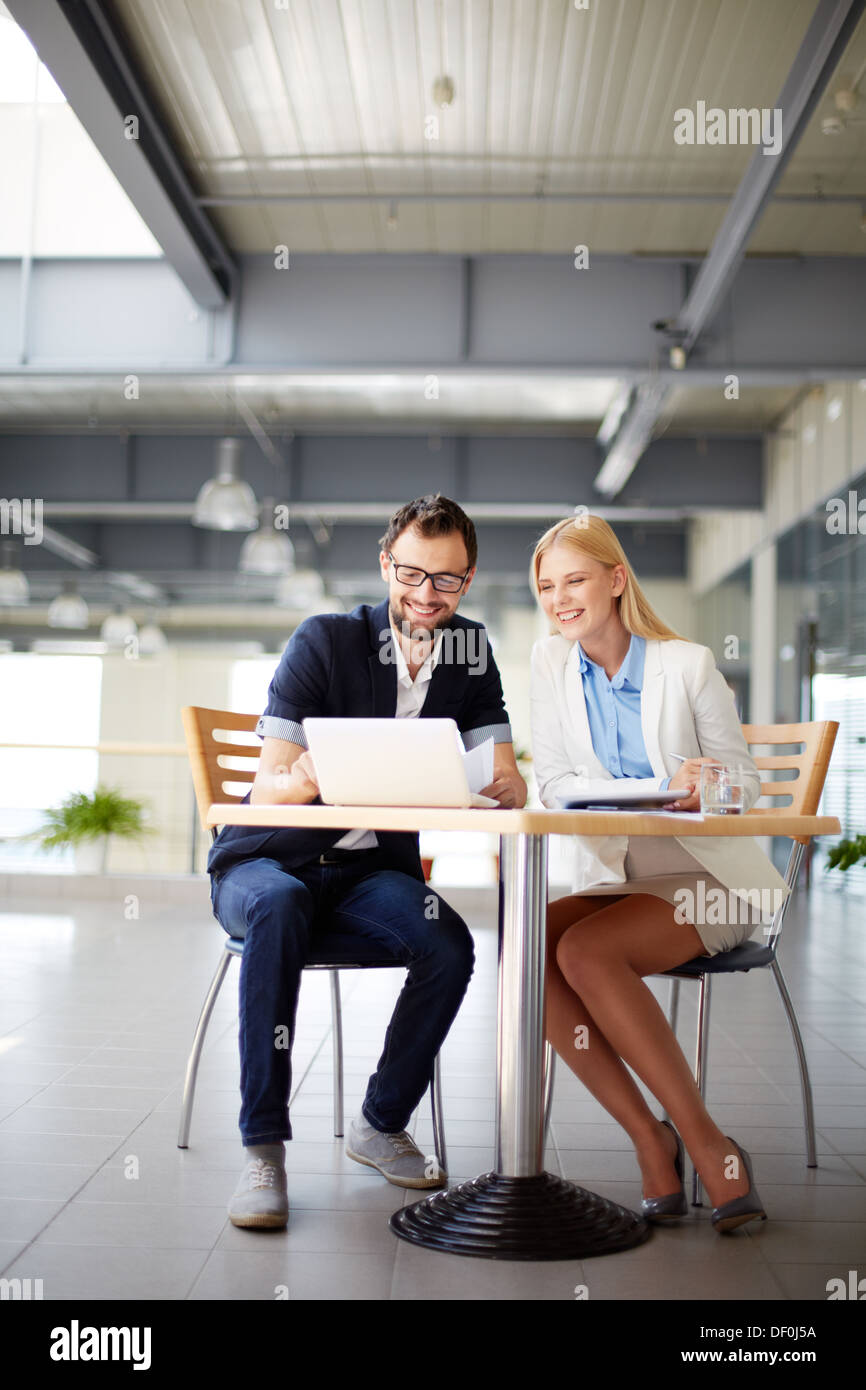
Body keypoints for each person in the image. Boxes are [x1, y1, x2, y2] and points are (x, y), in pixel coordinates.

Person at [209, 494, 526, 1228]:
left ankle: (380, 1121)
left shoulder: (471, 651)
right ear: (386, 562)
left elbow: (502, 773)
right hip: (269, 864)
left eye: (446, 580)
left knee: (447, 943)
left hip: (366, 876)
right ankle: (264, 1148)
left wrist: (502, 781)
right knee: (281, 905)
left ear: (468, 579)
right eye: (411, 573)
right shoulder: (324, 640)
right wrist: (319, 774)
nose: (426, 595)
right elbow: (269, 788)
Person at [529, 514, 788, 1232]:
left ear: (616, 581)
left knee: (584, 950)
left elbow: (745, 785)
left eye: (575, 580)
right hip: (626, 874)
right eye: (547, 586)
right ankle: (651, 1137)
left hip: (711, 879)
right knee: (529, 950)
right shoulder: (550, 665)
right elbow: (551, 780)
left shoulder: (688, 663)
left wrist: (708, 784)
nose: (560, 599)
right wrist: (613, 788)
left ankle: (706, 1145)